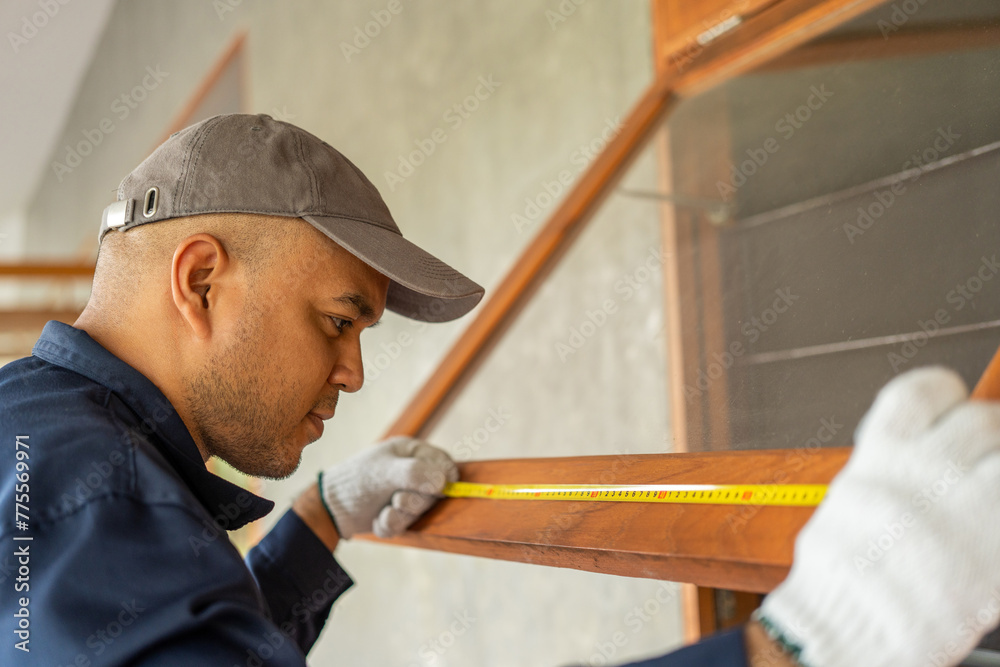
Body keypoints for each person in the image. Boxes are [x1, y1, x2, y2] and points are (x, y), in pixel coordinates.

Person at [2, 114, 999, 667]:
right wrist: (817, 638)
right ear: (201, 281)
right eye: (338, 320)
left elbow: (179, 639)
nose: (352, 371)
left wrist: (315, 528)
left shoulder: (42, 443)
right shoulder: (92, 495)